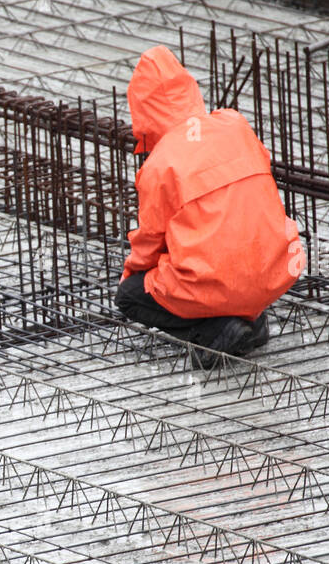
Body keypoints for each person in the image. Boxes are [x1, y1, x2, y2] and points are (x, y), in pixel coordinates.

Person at [114, 45, 304, 368]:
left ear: (143, 111)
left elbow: (148, 243)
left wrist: (131, 276)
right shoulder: (234, 124)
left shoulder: (161, 163)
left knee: (131, 295)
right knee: (214, 261)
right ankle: (251, 318)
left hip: (219, 281)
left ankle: (218, 328)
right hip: (276, 267)